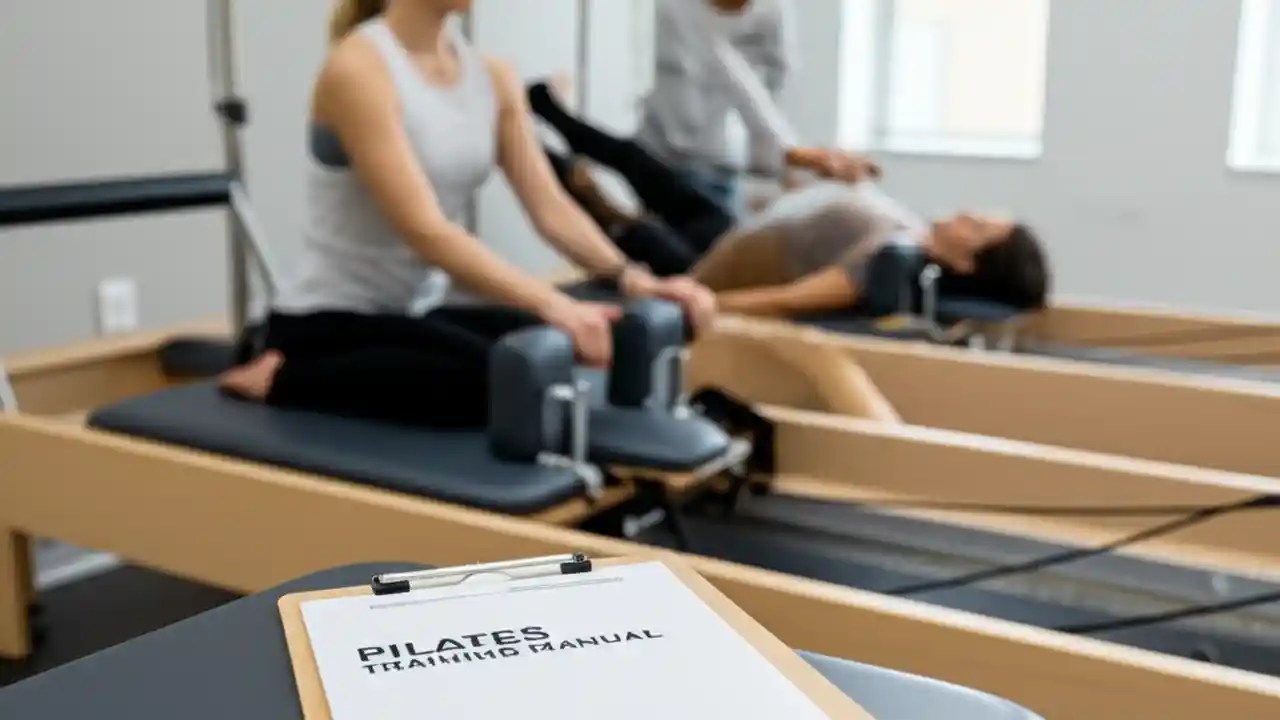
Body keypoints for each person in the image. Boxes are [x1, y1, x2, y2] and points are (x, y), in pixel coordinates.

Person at [218, 0, 715, 429]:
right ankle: (281, 377)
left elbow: (551, 208)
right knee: (494, 381)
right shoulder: (359, 69)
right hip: (329, 323)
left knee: (547, 355)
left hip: (418, 313)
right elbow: (426, 230)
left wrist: (634, 279)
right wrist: (554, 304)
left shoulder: (493, 77)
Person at [529, 83, 1050, 319]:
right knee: (638, 163)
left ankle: (517, 143)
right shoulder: (907, 232)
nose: (966, 213)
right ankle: (546, 110)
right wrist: (825, 171)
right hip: (727, 230)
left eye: (977, 226)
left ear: (963, 261)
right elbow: (811, 225)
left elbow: (790, 298)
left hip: (701, 268)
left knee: (592, 201)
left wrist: (693, 302)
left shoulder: (886, 262)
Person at [638, 0, 870, 214]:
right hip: (661, 152)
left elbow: (775, 84)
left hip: (723, 161)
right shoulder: (672, 10)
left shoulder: (773, 11)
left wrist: (788, 160)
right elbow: (731, 76)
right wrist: (789, 152)